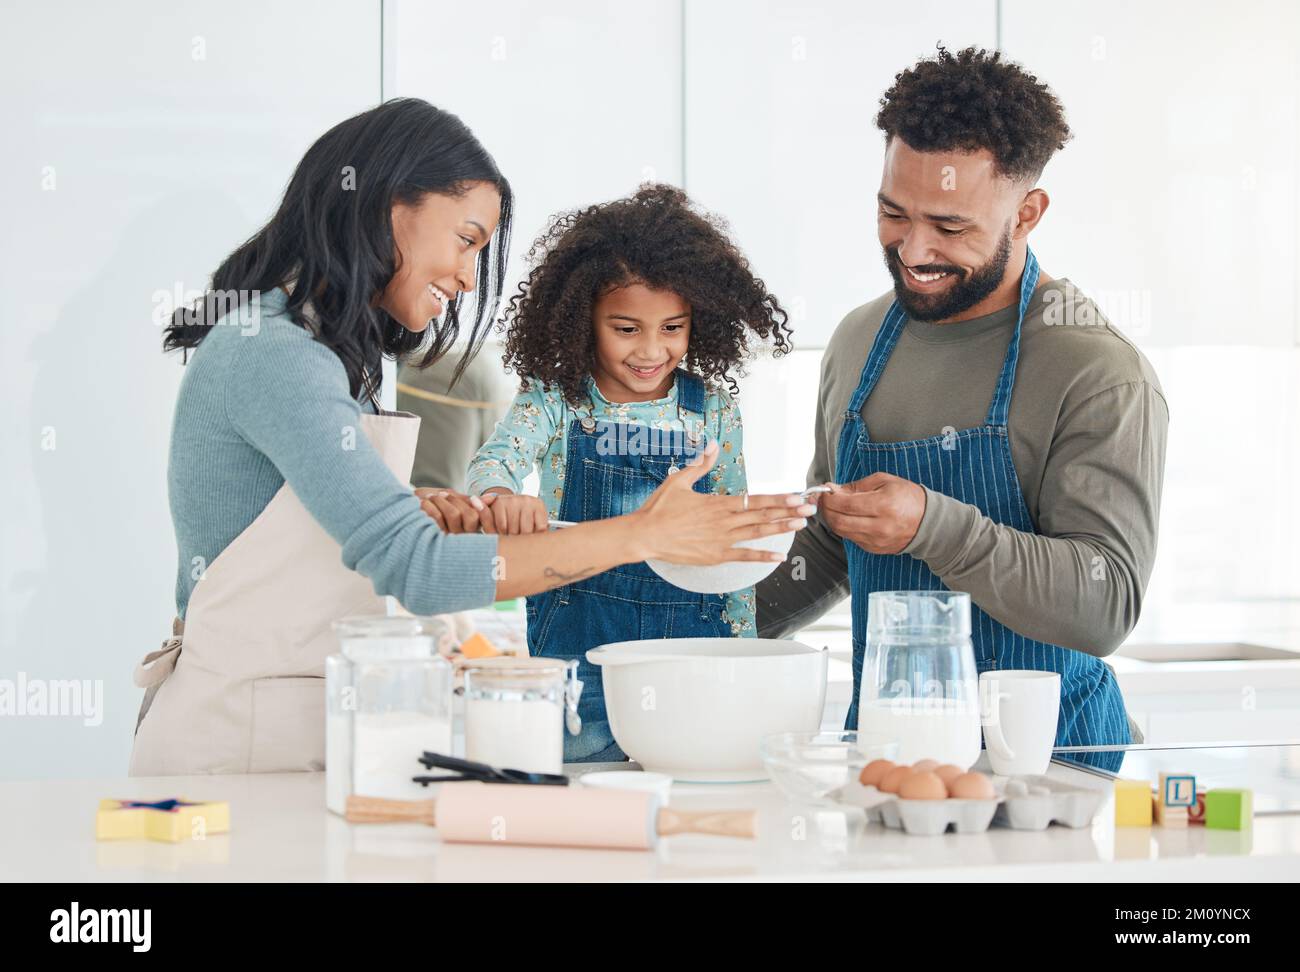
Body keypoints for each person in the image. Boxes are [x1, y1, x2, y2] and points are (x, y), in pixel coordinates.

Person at [133, 99, 813, 776]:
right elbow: (419, 572)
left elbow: (297, 526)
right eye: (466, 240)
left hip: (291, 734)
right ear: (389, 204)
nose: (466, 277)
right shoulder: (276, 352)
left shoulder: (325, 353)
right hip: (238, 748)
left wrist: (415, 504)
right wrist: (642, 535)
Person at [756, 47, 1168, 772]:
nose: (913, 250)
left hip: (1051, 770)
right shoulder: (858, 339)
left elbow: (1105, 606)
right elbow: (829, 545)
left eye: (950, 227)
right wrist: (704, 618)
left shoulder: (1095, 369)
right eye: (892, 212)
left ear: (1029, 211)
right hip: (885, 758)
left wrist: (933, 527)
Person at [457, 184, 793, 761]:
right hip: (576, 656)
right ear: (582, 317)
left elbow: (729, 541)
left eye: (672, 327)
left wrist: (741, 648)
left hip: (690, 661)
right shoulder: (557, 399)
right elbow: (495, 463)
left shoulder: (713, 409)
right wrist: (498, 495)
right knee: (586, 799)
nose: (651, 350)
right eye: (626, 328)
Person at [396, 348, 512, 492]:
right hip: (484, 358)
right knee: (487, 488)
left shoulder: (437, 372)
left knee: (438, 493)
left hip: (440, 365)